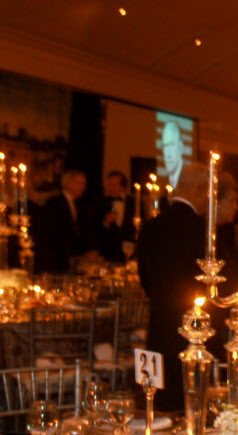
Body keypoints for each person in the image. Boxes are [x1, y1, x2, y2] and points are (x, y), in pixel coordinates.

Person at [136, 164, 208, 411]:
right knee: (188, 395)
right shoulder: (200, 230)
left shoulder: (151, 226)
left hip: (158, 322)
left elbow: (144, 278)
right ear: (199, 190)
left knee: (156, 396)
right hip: (193, 324)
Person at [37, 169, 90, 272]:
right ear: (69, 183)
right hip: (59, 258)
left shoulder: (78, 205)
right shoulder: (54, 203)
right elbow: (56, 233)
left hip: (73, 257)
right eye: (81, 184)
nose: (84, 188)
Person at [92, 170, 134, 262]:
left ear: (122, 187)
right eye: (109, 184)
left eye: (113, 185)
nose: (109, 188)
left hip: (129, 251)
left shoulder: (134, 203)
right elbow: (94, 227)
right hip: (108, 251)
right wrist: (106, 222)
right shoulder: (101, 202)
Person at [161, 120, 185, 190]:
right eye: (165, 146)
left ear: (180, 147)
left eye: (171, 145)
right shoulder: (163, 182)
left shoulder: (189, 180)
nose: (168, 155)